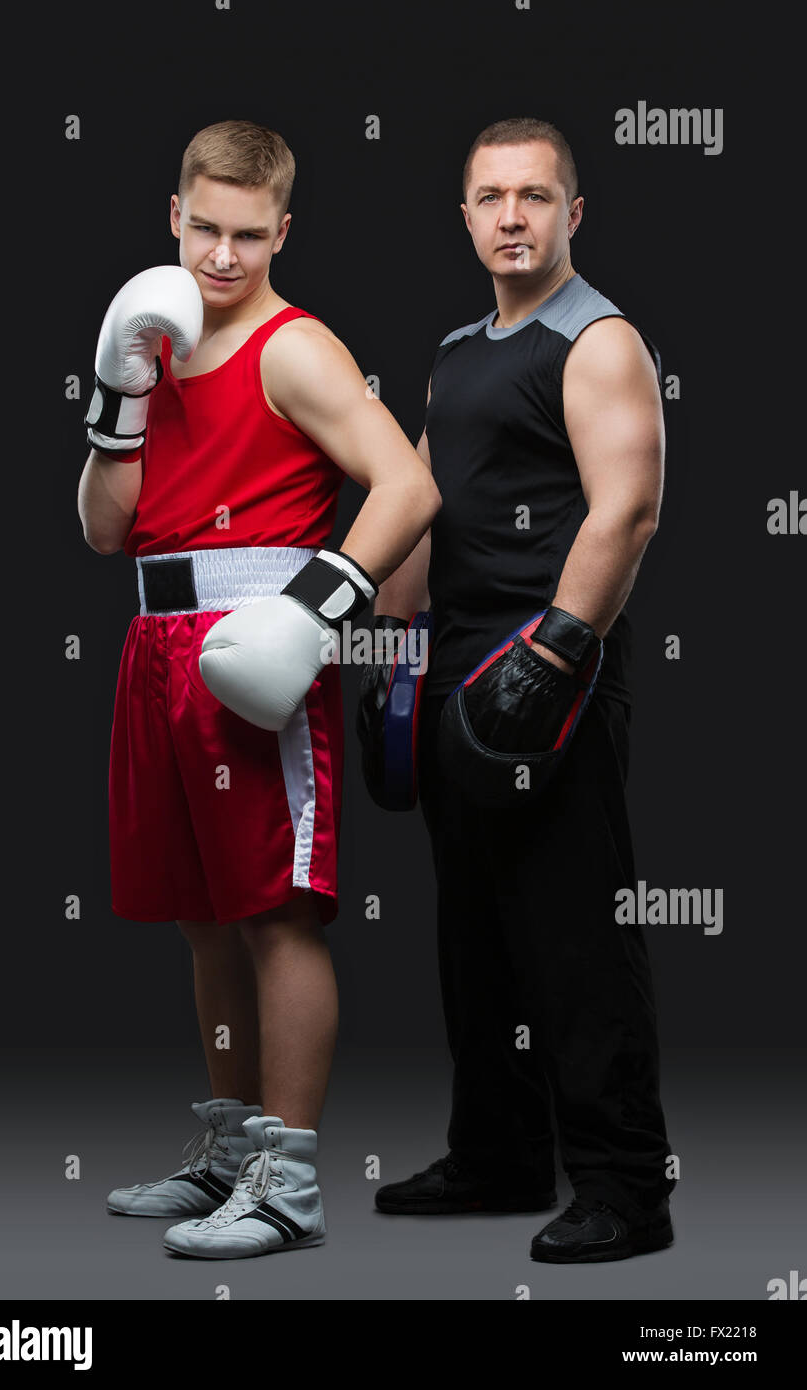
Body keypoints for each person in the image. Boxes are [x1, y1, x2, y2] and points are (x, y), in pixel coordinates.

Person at [76, 118, 440, 1260]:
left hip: (255, 650)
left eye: (248, 235)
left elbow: (406, 486)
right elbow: (104, 530)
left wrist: (311, 611)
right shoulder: (151, 339)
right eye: (204, 229)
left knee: (276, 913)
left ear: (280, 230)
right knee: (201, 918)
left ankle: (288, 1184)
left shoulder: (295, 347)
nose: (222, 257)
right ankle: (231, 1156)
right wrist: (118, 397)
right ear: (172, 216)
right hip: (156, 653)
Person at [368, 117, 677, 1263]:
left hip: (551, 680)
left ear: (571, 214)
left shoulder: (596, 340)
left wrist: (550, 658)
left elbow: (625, 508)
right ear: (463, 215)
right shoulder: (454, 352)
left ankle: (625, 1186)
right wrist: (393, 651)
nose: (511, 216)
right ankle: (498, 1155)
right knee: (475, 937)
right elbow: (421, 506)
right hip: (450, 678)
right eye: (490, 197)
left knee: (572, 940)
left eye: (534, 197)